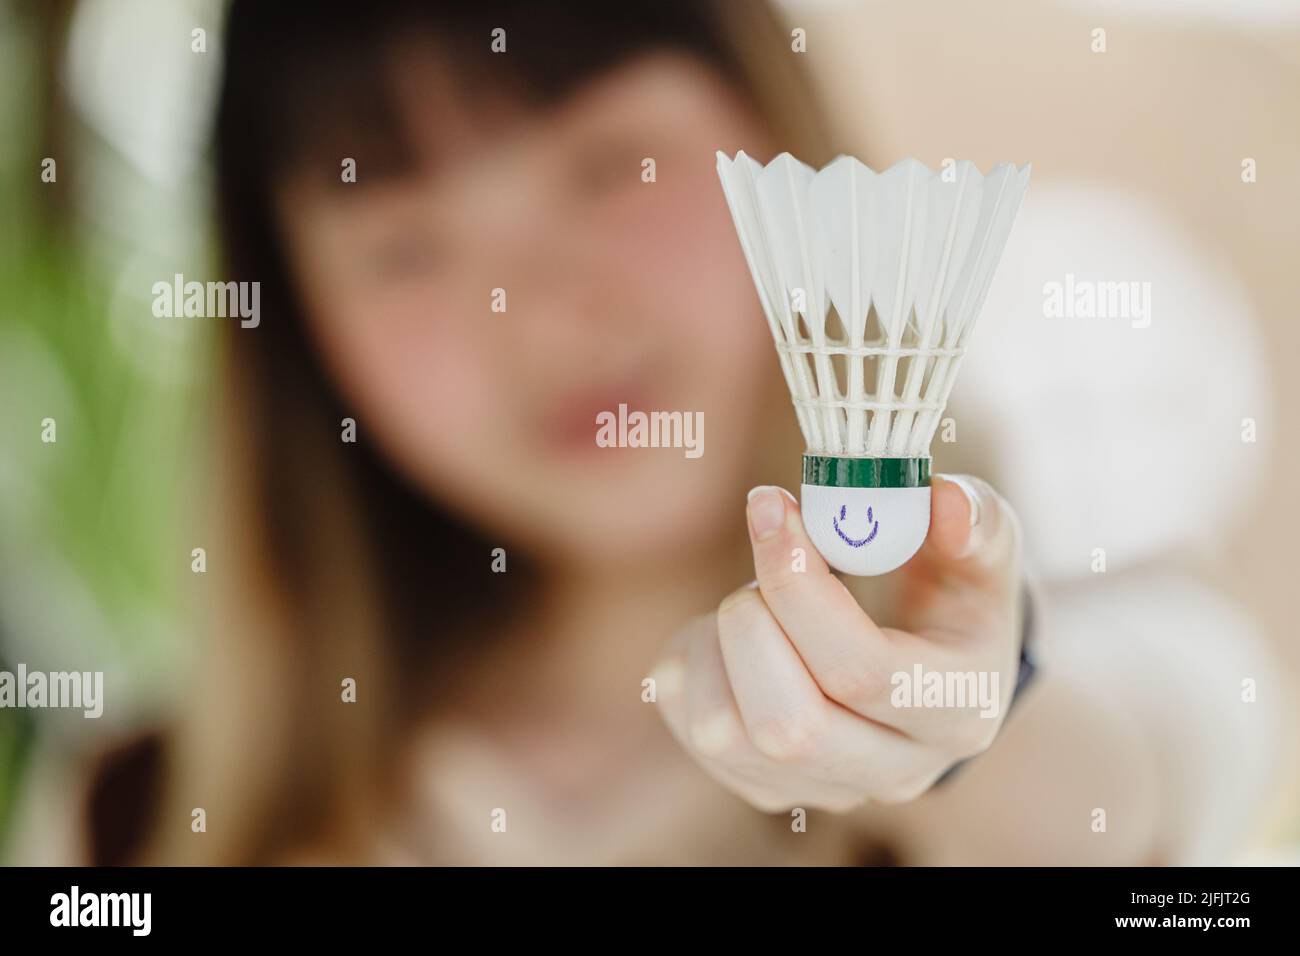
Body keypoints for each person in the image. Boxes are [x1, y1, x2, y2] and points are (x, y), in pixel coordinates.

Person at [77, 0, 1277, 865]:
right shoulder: (127, 826)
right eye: (404, 250)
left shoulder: (1123, 643)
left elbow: (1125, 792)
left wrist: (957, 721)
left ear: (781, 153)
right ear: (298, 335)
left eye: (610, 166)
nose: (540, 315)